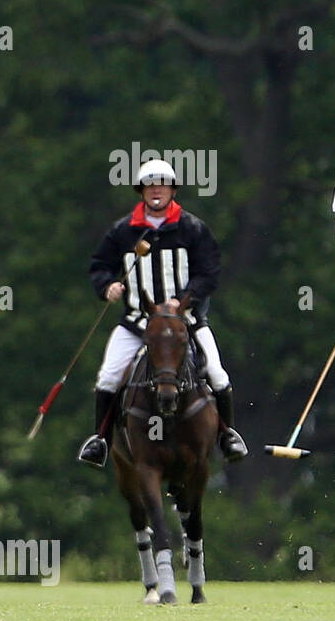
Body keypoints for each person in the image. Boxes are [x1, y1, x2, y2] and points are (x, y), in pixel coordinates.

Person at [77, 158, 249, 467]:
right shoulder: (123, 231)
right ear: (141, 192)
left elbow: (209, 272)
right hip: (137, 324)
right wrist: (107, 287)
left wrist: (185, 300)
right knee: (109, 376)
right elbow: (100, 265)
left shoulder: (192, 228)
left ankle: (228, 435)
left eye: (162, 185)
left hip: (186, 323)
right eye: (149, 186)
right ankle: (100, 440)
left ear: (172, 190)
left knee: (217, 374)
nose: (156, 190)